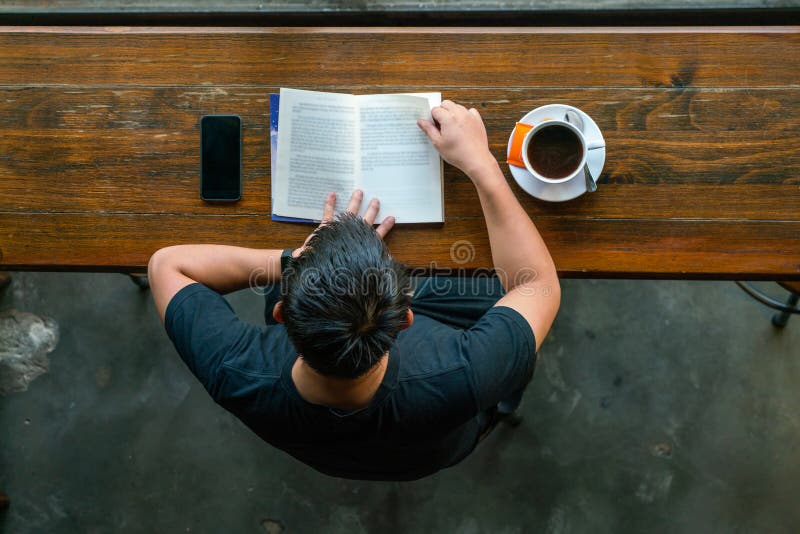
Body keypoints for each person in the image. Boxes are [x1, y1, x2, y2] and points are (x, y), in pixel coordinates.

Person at [148, 100, 560, 480]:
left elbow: (167, 264)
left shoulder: (237, 373)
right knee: (489, 292)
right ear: (405, 320)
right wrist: (480, 163)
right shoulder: (463, 373)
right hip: (444, 443)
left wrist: (296, 261)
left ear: (281, 317)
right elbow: (537, 283)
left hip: (342, 453)